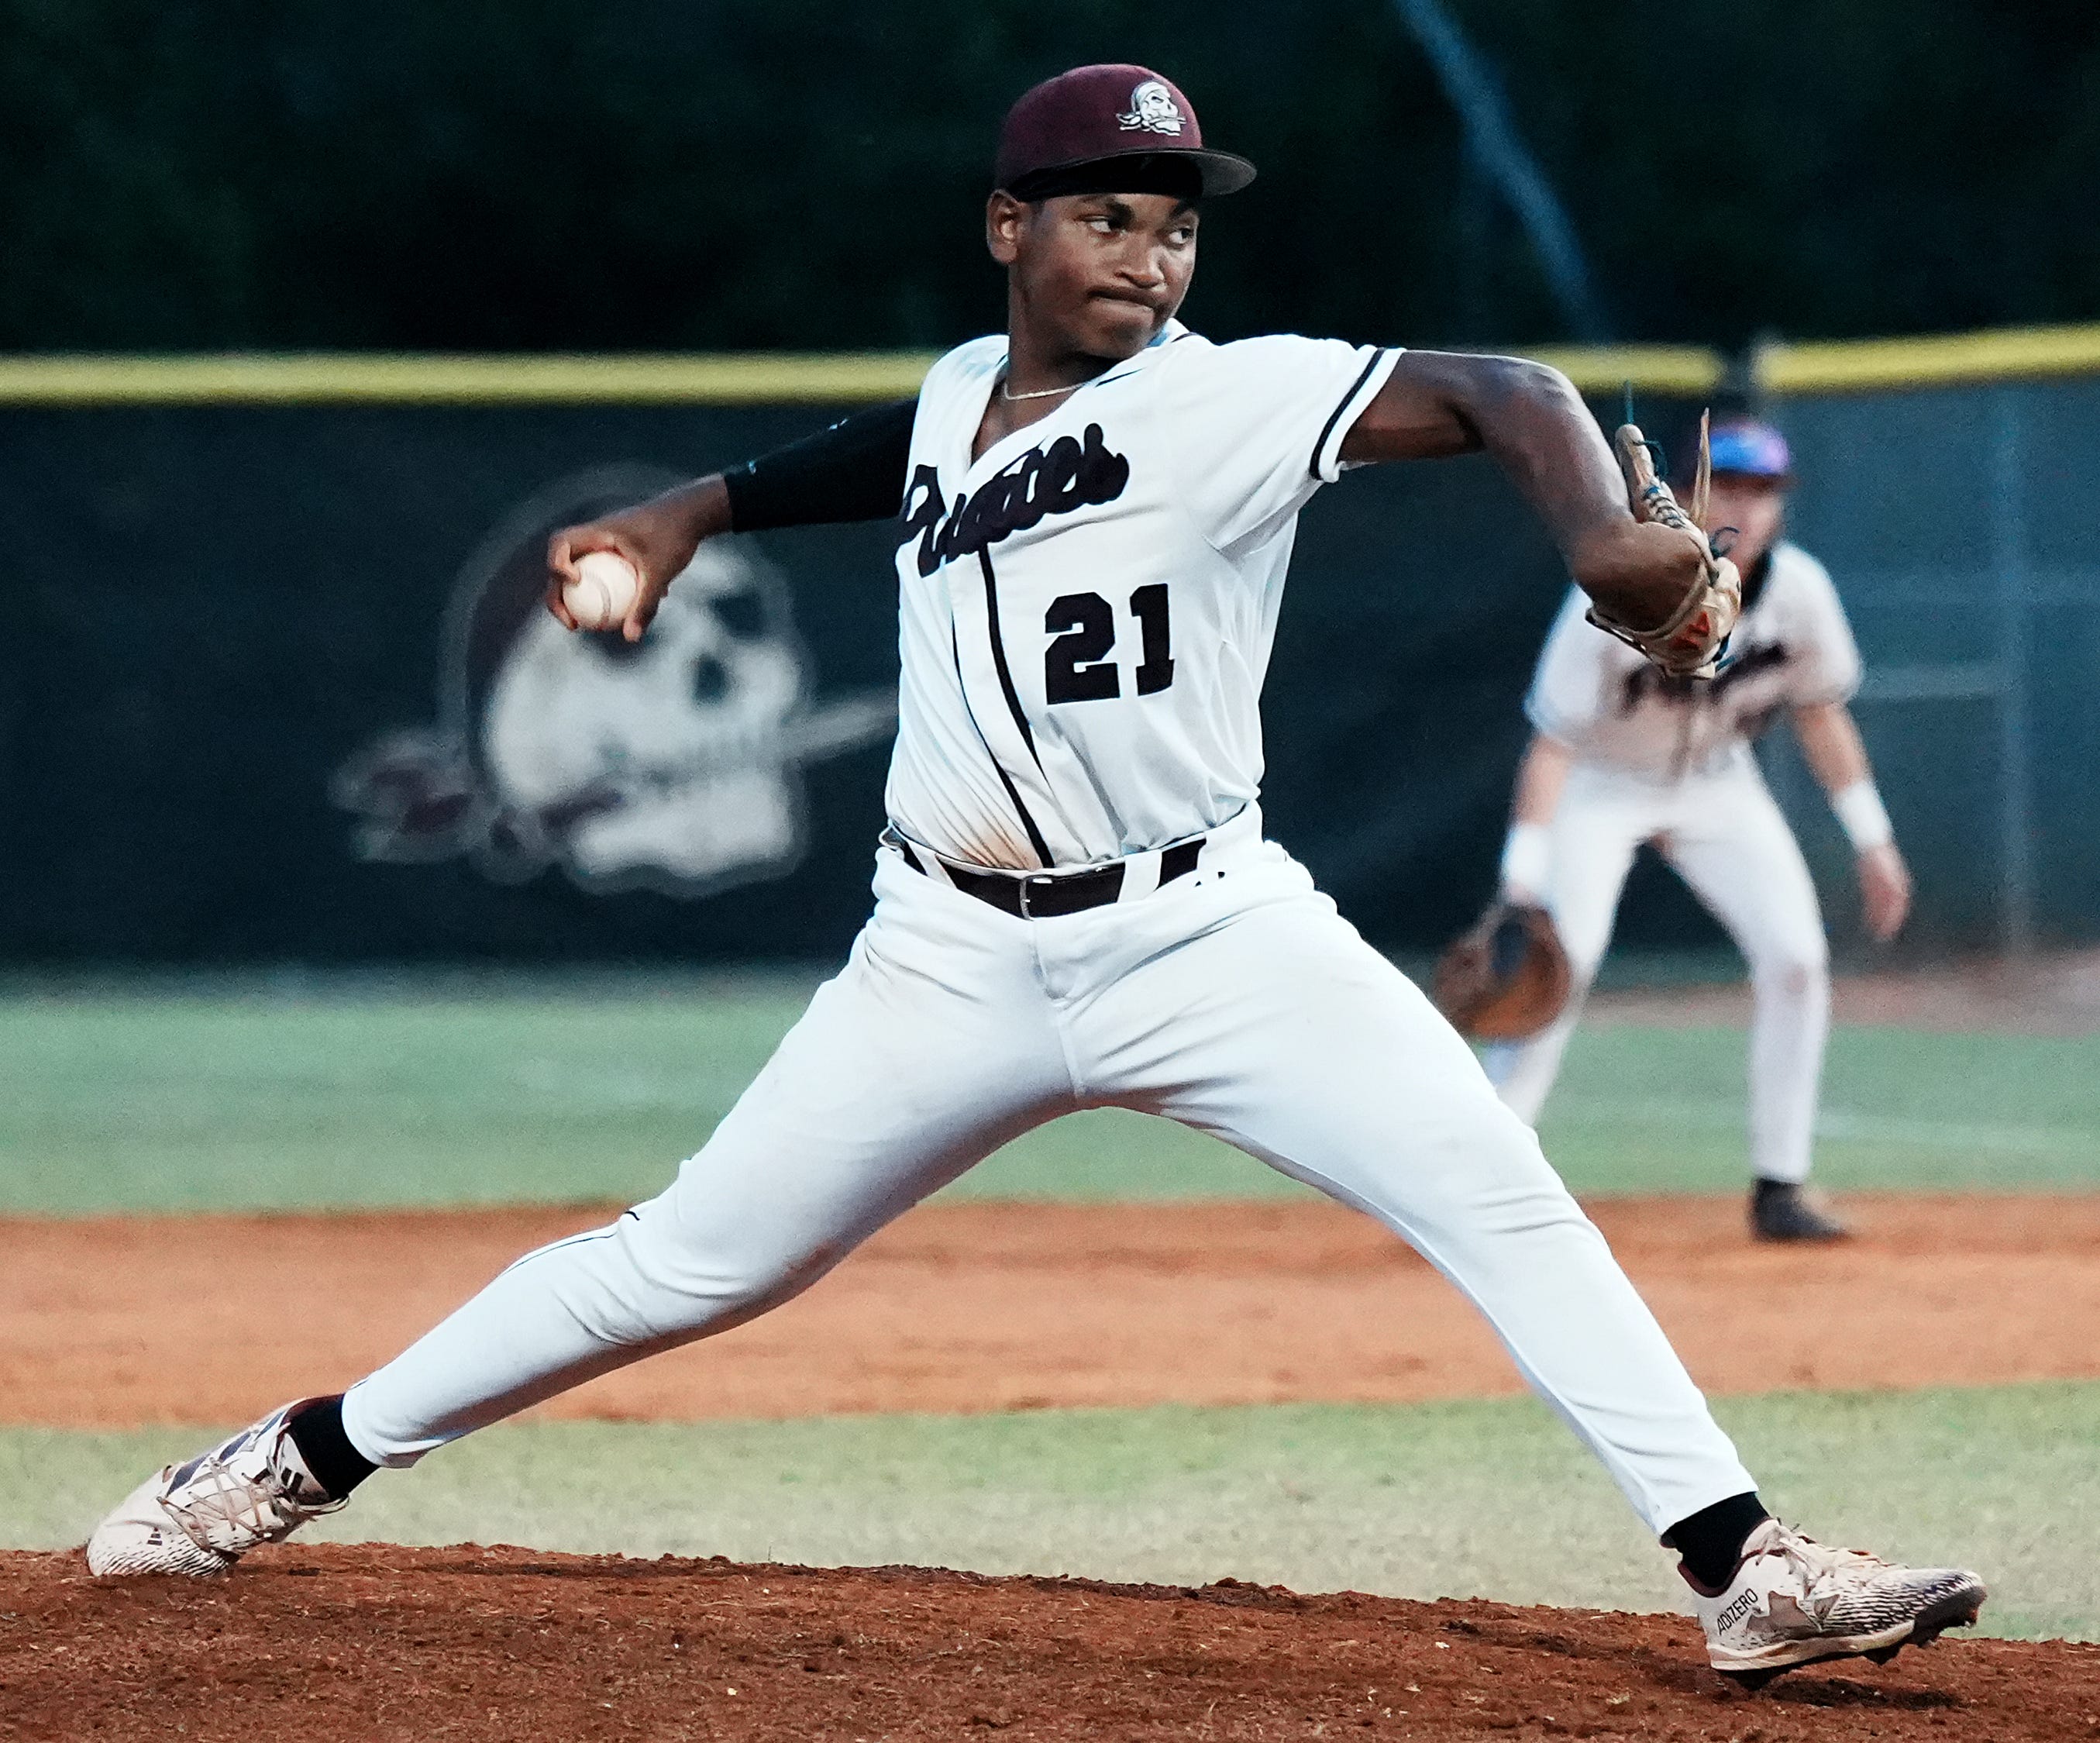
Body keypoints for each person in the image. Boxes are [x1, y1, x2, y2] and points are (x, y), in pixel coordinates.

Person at [86, 65, 1980, 1684]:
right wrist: (679, 513)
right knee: (681, 1266)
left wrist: (1590, 535)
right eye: (1104, 215)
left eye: (1173, 221)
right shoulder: (947, 397)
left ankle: (1745, 1569)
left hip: (1210, 930)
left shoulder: (1224, 399)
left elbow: (1503, 385)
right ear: (1010, 226)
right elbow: (880, 457)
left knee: (1500, 1191)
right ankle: (292, 1458)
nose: (1148, 254)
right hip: (942, 957)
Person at [1484, 418, 1909, 1241]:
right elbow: (1553, 743)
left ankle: (1779, 1186)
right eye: (1729, 489)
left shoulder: (1799, 593)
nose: (1746, 509)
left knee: (1796, 958)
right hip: (1602, 785)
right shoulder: (1613, 590)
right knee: (1560, 964)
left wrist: (1872, 837)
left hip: (1717, 784)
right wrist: (1521, 873)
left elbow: (1820, 713)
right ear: (1681, 497)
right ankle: (1483, 1175)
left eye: (1763, 493)